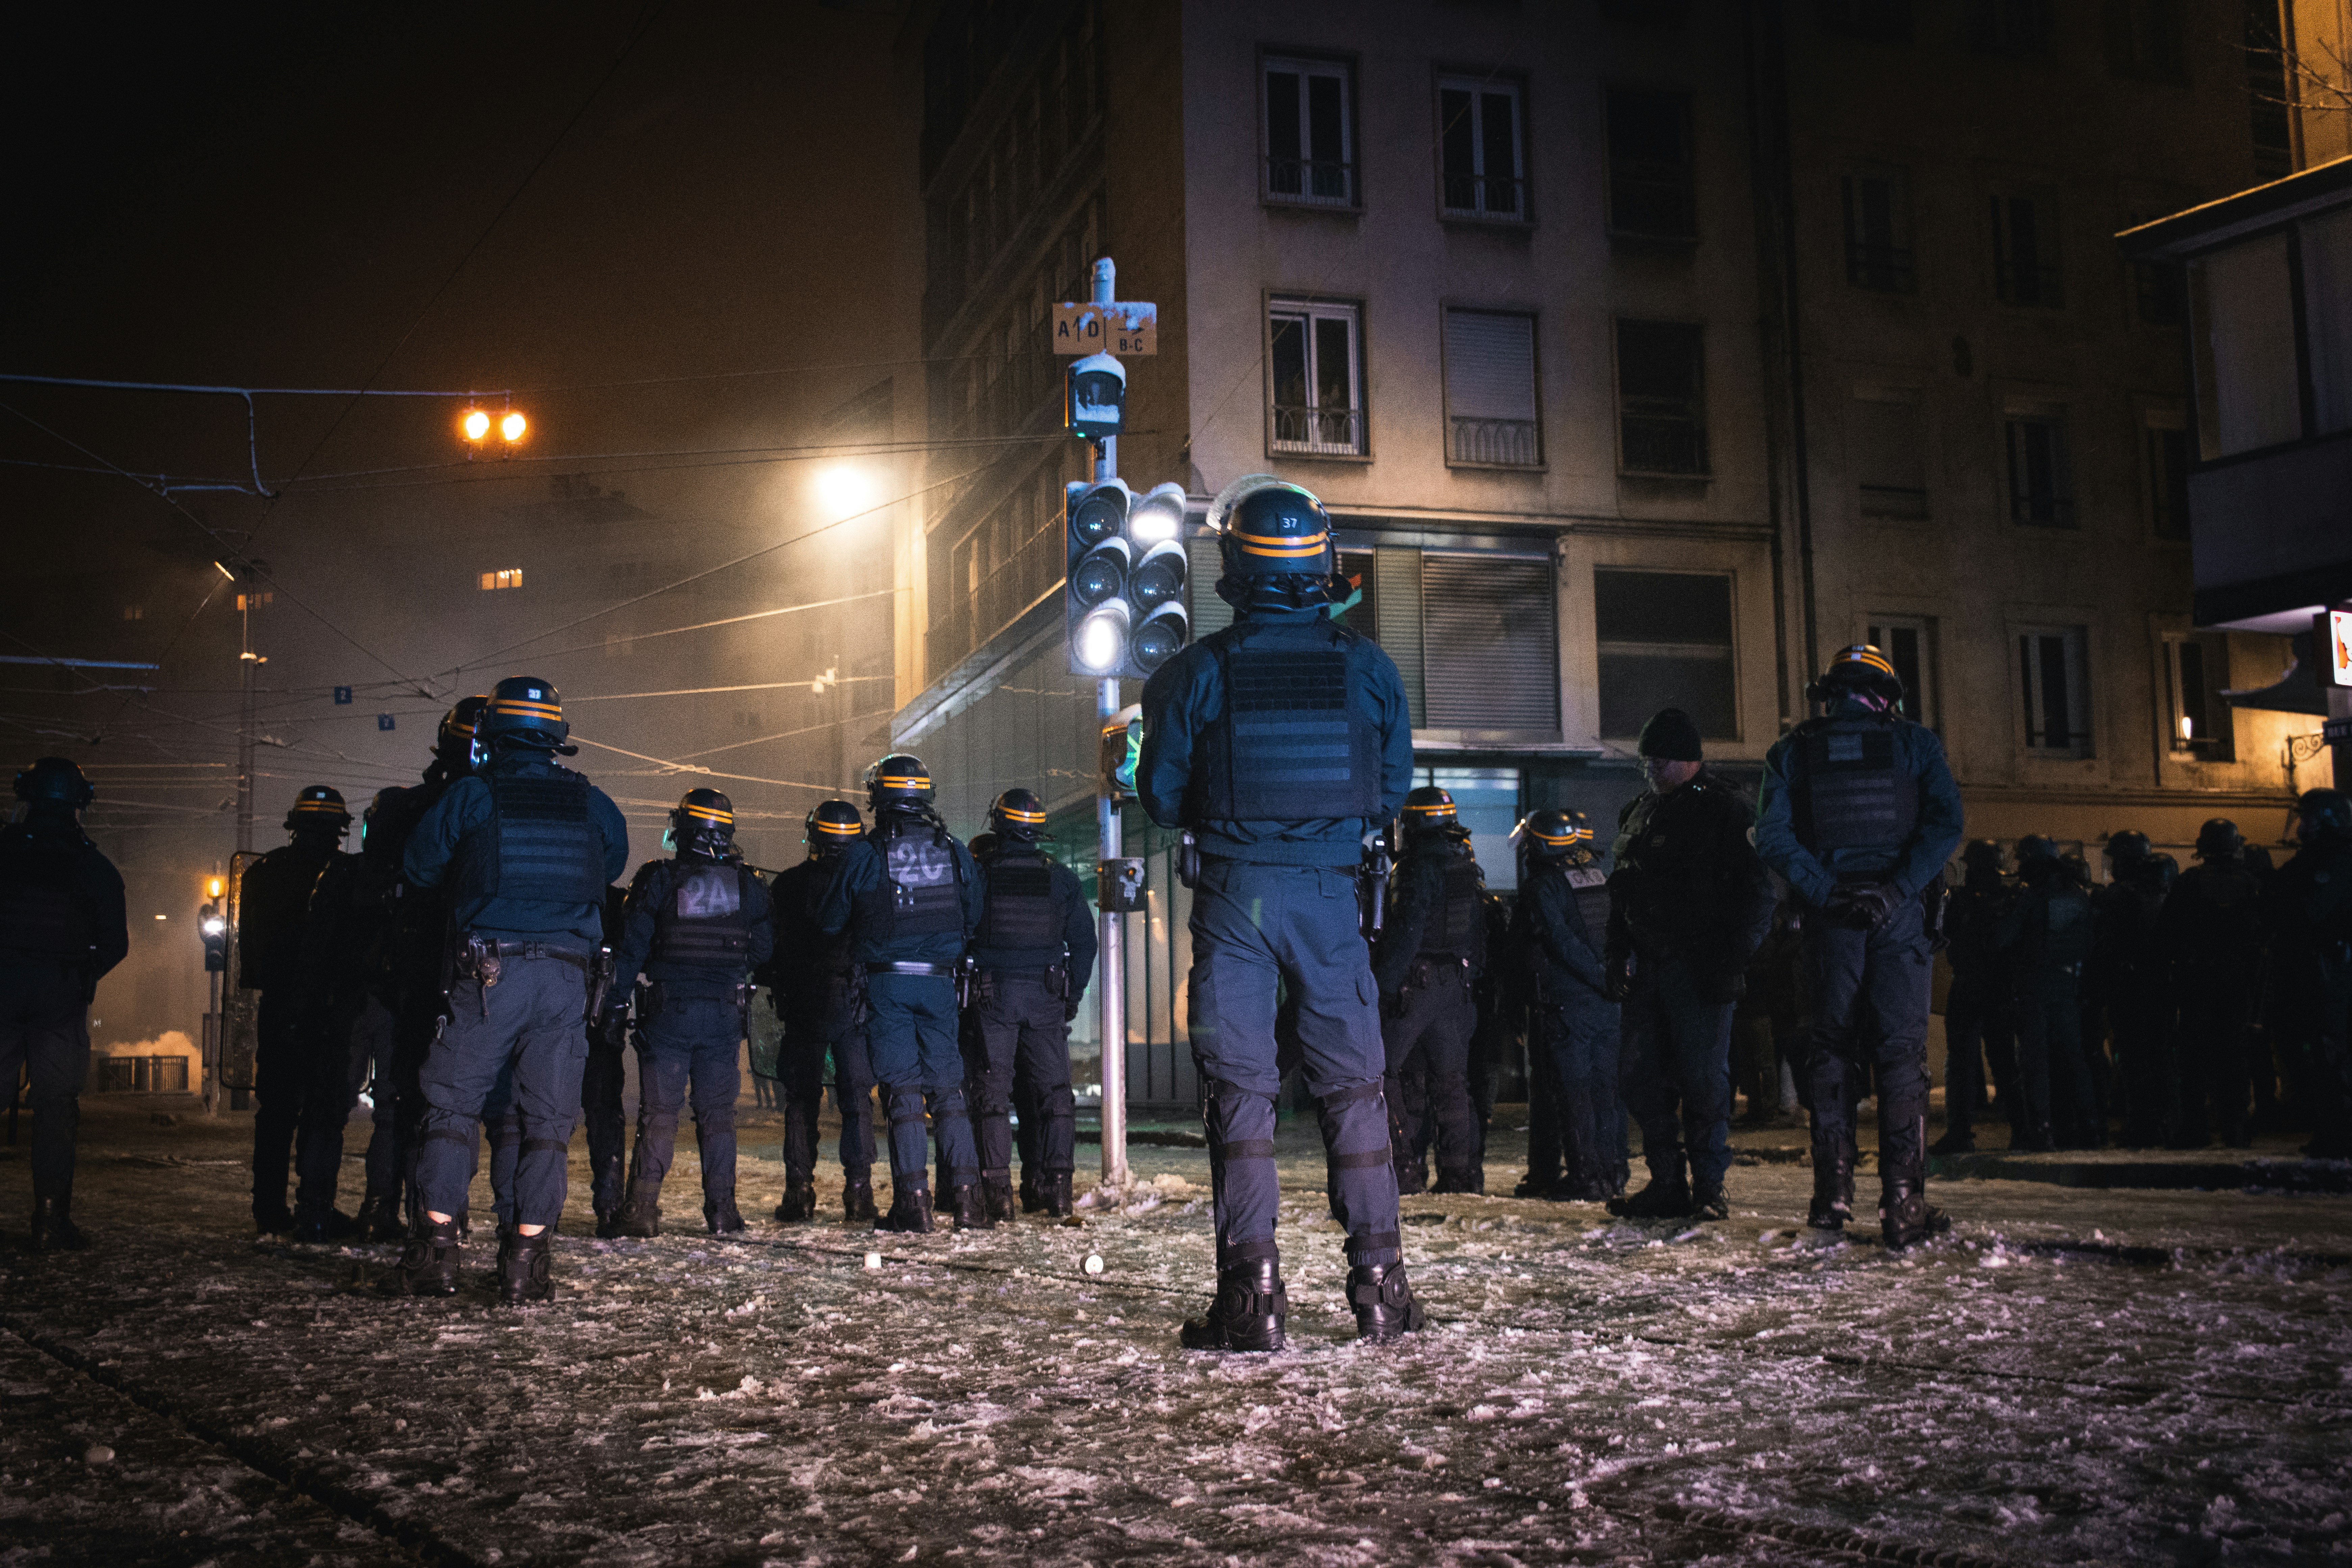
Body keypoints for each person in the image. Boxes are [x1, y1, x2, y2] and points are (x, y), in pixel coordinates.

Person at [1137, 473, 1421, 1351]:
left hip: (1236, 901)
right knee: (1354, 1092)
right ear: (1323, 563)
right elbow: (1391, 794)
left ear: (1232, 564)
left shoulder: (1192, 674)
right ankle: (1382, 1293)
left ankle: (1252, 1303)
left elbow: (1161, 796)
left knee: (1243, 1094)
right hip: (1333, 900)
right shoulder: (1369, 670)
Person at [380, 677, 627, 1304]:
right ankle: (525, 1265)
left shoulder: (473, 794)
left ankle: (436, 1255)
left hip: (490, 975)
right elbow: (613, 863)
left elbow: (420, 867)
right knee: (546, 1121)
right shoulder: (592, 803)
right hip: (569, 978)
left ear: (491, 733)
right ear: (557, 737)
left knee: (452, 1108)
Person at [1754, 645, 1967, 1246]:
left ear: (1831, 693)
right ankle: (1903, 1207)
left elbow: (1771, 838)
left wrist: (1828, 892)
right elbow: (1945, 827)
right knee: (1901, 1057)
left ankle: (1832, 1197)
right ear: (1886, 694)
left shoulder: (1792, 751)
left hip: (1830, 922)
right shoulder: (1915, 745)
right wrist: (1896, 892)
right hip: (1898, 918)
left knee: (1830, 1052)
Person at [1606, 707, 1776, 1222]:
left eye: (1659, 762)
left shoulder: (1727, 810)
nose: (1650, 772)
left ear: (1687, 760)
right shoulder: (1639, 811)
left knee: (1703, 1080)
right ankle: (1666, 1182)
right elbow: (1623, 892)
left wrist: (1732, 959)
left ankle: (1708, 1188)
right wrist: (1617, 954)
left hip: (1699, 967)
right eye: (1645, 763)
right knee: (1640, 1077)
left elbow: (1757, 894)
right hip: (1649, 967)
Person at [815, 756, 986, 1233]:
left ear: (879, 799)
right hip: (939, 983)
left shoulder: (865, 854)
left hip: (887, 982)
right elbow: (974, 913)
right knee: (949, 1091)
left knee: (904, 1092)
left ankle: (915, 1204)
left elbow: (830, 920)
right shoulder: (954, 851)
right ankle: (970, 1202)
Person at [605, 789, 774, 1237]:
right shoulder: (747, 884)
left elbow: (633, 946)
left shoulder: (659, 879)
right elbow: (765, 947)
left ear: (683, 829)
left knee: (659, 1114)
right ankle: (722, 1212)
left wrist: (616, 1001)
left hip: (669, 1014)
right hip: (722, 1014)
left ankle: (641, 1211)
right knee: (718, 1116)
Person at [362, 696, 488, 1235]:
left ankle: (380, 1208)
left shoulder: (401, 807)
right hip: (468, 975)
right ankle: (443, 1214)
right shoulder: (488, 806)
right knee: (458, 1104)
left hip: (405, 975)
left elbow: (374, 893)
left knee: (398, 1099)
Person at [0, 758, 126, 1251]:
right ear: (80, 802)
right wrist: (78, 976)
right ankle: (50, 1221)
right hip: (60, 995)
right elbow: (115, 943)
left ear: (27, 795)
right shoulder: (93, 865)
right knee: (55, 1108)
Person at [964, 788, 1097, 1220]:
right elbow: (1084, 943)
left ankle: (998, 1195)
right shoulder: (1061, 878)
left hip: (993, 996)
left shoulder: (979, 876)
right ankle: (1059, 1190)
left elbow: (960, 933)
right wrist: (1071, 995)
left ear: (998, 825)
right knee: (1056, 1095)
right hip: (1045, 997)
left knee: (993, 1096)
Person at [238, 786, 358, 1237]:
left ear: (294, 826)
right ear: (339, 830)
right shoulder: (348, 876)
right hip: (329, 1011)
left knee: (275, 1113)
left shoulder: (263, 873)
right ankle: (316, 1208)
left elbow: (250, 951)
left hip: (279, 1006)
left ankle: (268, 1210)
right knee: (323, 1111)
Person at [1373, 787, 1488, 1195]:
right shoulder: (1465, 864)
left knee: (1380, 1071)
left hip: (1415, 984)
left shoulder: (1414, 866)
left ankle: (1403, 1169)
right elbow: (1478, 933)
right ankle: (1461, 1175)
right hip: (1453, 985)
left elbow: (1406, 931)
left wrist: (1383, 988)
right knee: (1451, 1082)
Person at [766, 800, 874, 1223]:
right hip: (853, 1002)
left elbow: (771, 947)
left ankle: (799, 1193)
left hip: (804, 1002)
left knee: (800, 1101)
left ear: (814, 835)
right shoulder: (867, 882)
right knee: (856, 1101)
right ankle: (860, 1194)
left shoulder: (789, 884)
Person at [1510, 809, 1620, 1201]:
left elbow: (1560, 941)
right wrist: (1612, 979)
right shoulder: (1597, 876)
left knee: (1573, 1092)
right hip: (1606, 1002)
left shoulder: (1542, 886)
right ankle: (1611, 1173)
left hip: (1569, 1003)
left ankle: (1586, 1177)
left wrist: (1594, 975)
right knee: (1604, 1090)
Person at [2159, 818, 2265, 1149]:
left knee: (2194, 1059)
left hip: (2197, 982)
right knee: (2234, 1057)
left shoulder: (2190, 882)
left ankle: (2196, 1127)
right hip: (2237, 984)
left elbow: (2167, 934)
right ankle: (2235, 1126)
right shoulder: (2250, 884)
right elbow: (2262, 937)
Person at [2269, 789, 2352, 1158]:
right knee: (2318, 1054)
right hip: (2315, 969)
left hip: (2333, 969)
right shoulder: (2315, 858)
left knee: (2333, 1054)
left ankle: (2339, 1134)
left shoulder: (2336, 858)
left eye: (2308, 818)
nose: (2301, 826)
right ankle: (2330, 1130)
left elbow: (2308, 911)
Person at [1997, 836, 2091, 1153]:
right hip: (2067, 988)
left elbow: (2003, 938)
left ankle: (2042, 1132)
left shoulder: (2030, 896)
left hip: (2034, 988)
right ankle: (2087, 1128)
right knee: (2073, 1060)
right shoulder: (2075, 894)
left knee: (2035, 1064)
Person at [2090, 831, 2174, 1147]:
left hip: (2129, 989)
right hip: (2161, 986)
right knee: (2161, 1056)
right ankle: (2167, 1121)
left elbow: (2106, 947)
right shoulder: (2162, 893)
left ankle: (2142, 1125)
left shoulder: (2118, 896)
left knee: (2133, 1059)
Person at [1932, 841, 2014, 1154]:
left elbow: (1943, 937)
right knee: (2005, 1061)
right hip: (2001, 988)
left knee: (1961, 1062)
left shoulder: (1961, 901)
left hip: (1968, 986)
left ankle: (1960, 1133)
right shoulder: (2010, 899)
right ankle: (2022, 1128)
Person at [582, 884, 631, 1236]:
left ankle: (527, 1212)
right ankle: (610, 1204)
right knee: (604, 1111)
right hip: (602, 1019)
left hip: (555, 1015)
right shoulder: (614, 902)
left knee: (538, 1113)